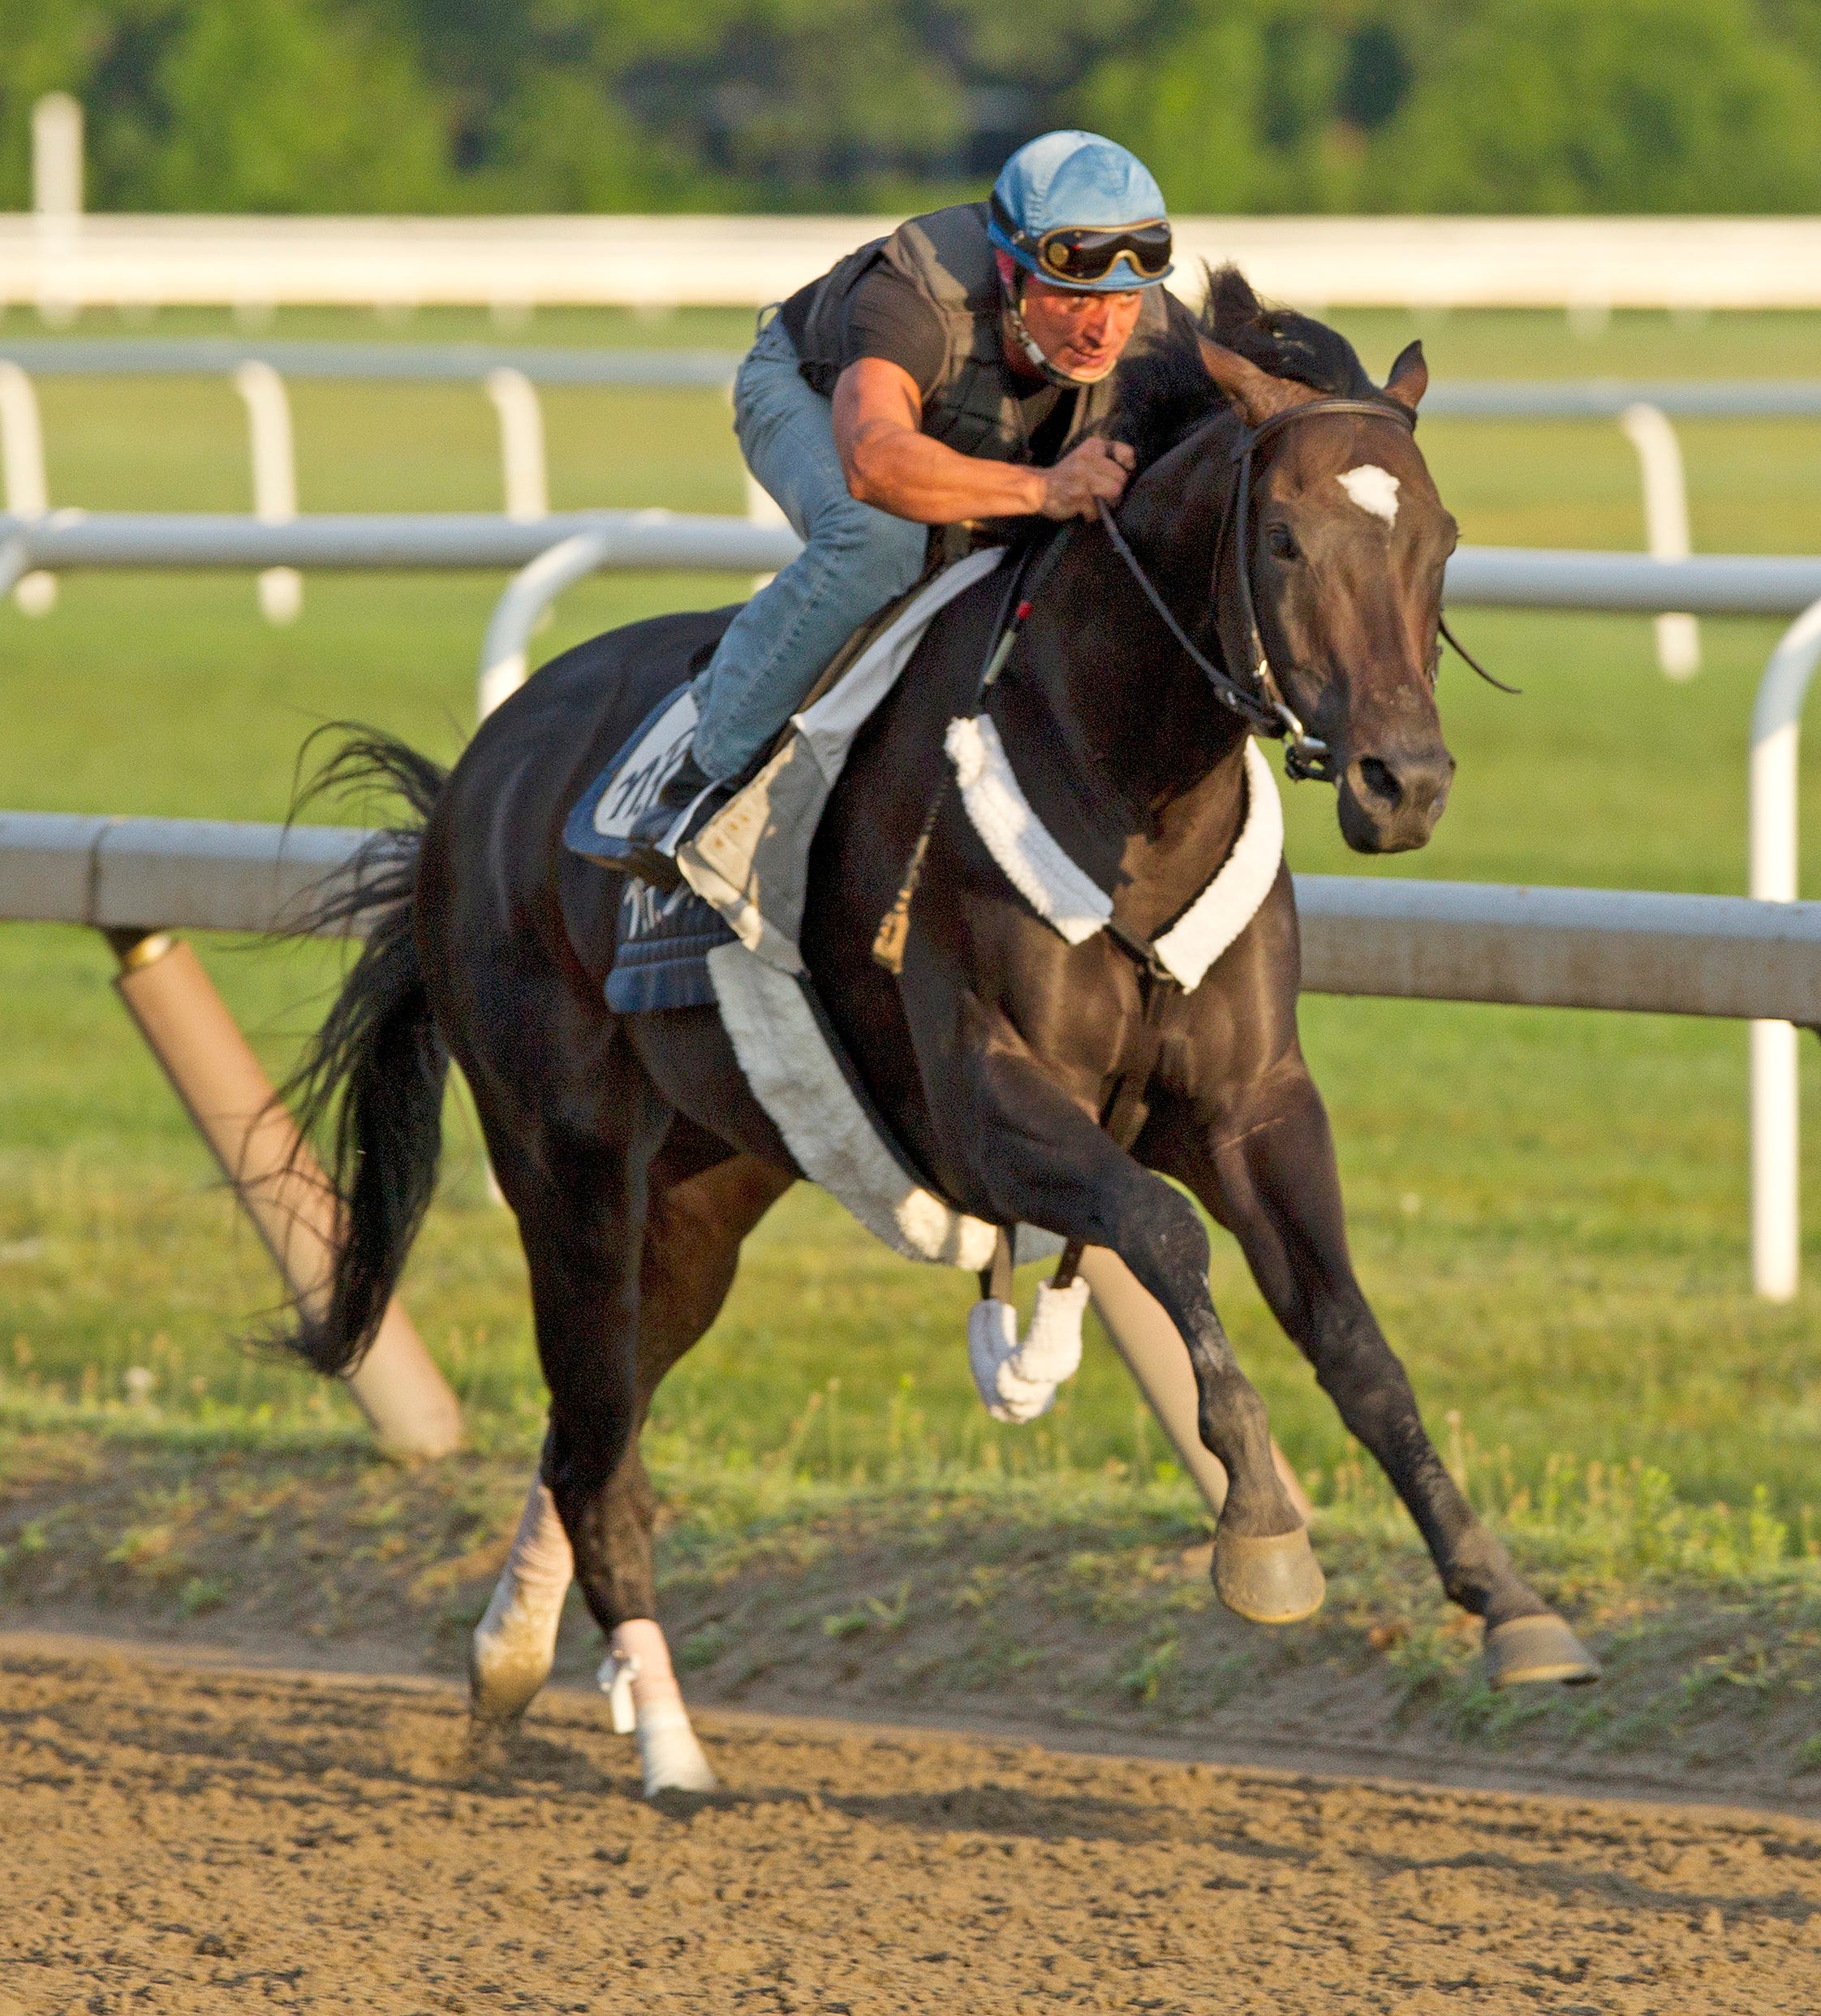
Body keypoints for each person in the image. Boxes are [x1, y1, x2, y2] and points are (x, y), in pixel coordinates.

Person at [618, 129, 1186, 889]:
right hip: (811, 396)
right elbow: (873, 463)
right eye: (1072, 296)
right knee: (881, 541)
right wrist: (1045, 490)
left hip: (973, 433)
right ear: (1009, 270)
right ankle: (700, 783)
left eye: (1123, 299)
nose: (1103, 328)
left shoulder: (1158, 327)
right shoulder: (916, 292)